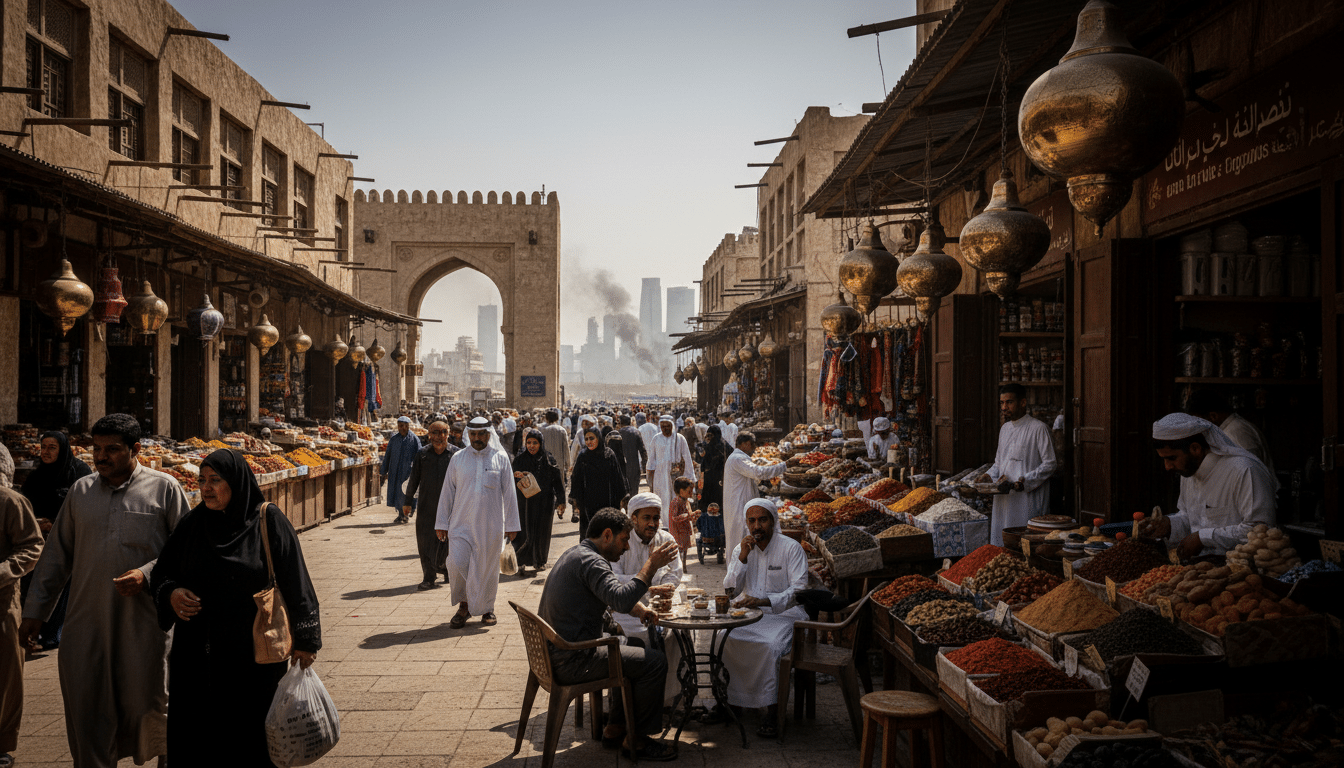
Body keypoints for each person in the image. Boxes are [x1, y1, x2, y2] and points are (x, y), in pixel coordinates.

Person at [20, 414, 190, 768]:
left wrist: (146, 574)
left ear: (135, 449)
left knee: (152, 709)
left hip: (144, 628)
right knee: (87, 712)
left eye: (112, 449)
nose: (101, 457)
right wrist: (35, 612)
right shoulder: (80, 492)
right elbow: (55, 557)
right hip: (86, 626)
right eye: (97, 449)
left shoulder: (165, 488)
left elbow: (186, 552)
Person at [149, 449, 322, 767]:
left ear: (237, 482)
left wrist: (306, 642)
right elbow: (162, 573)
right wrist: (171, 593)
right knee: (199, 741)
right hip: (197, 658)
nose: (206, 488)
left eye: (215, 480)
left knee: (250, 741)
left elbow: (297, 582)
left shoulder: (267, 520)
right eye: (202, 480)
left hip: (252, 658)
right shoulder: (193, 524)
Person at [538, 508, 679, 762]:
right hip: (572, 661)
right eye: (624, 539)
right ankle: (637, 740)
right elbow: (620, 599)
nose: (626, 547)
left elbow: (605, 598)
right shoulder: (593, 562)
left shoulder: (577, 554)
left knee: (634, 644)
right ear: (606, 535)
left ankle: (616, 726)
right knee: (655, 662)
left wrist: (640, 610)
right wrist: (651, 565)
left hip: (559, 654)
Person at [718, 498, 808, 738]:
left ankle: (772, 709)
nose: (757, 526)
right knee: (723, 638)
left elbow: (800, 590)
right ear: (746, 523)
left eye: (762, 520)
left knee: (770, 647)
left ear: (773, 521)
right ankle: (732, 701)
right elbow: (731, 592)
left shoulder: (791, 548)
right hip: (750, 615)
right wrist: (742, 558)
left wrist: (765, 601)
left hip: (785, 616)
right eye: (752, 521)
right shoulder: (741, 549)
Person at [1143, 413, 1277, 558]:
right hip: (1199, 566)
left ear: (1195, 448)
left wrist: (1203, 538)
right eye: (1163, 459)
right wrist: (1169, 524)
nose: (1167, 467)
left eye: (1172, 458)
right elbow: (1190, 519)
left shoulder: (1245, 471)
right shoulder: (1188, 472)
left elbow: (1260, 530)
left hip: (1241, 565)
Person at [435, 417, 520, 628]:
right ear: (468, 435)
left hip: (491, 526)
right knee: (456, 563)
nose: (477, 438)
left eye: (481, 434)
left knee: (487, 569)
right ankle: (464, 606)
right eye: (473, 434)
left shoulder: (501, 458)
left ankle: (487, 608)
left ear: (489, 434)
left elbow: (510, 494)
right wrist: (441, 522)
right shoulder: (458, 459)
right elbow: (447, 492)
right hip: (460, 525)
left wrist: (512, 525)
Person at [19, 431, 93, 648]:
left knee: (63, 585)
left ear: (62, 449)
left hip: (70, 537)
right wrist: (36, 522)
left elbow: (85, 506)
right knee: (37, 583)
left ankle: (52, 635)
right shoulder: (36, 475)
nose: (46, 452)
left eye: (52, 447)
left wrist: (55, 523)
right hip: (39, 539)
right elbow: (27, 505)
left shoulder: (79, 472)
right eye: (43, 447)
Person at [977, 384, 1057, 547]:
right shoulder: (1005, 429)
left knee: (1025, 543)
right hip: (1004, 498)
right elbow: (999, 463)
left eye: (1009, 402)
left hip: (1027, 498)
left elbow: (1050, 463)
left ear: (1023, 402)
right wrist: (988, 476)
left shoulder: (1039, 428)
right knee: (1003, 542)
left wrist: (1024, 481)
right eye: (1002, 403)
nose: (1004, 407)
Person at [1, 485, 42, 768]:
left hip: (1, 603)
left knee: (5, 677)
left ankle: (2, 744)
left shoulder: (9, 501)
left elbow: (32, 546)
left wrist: (3, 572)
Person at [404, 421, 458, 589]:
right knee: (425, 541)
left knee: (450, 541)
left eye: (443, 432)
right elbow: (414, 479)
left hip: (451, 507)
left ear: (448, 434)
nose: (439, 436)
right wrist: (407, 502)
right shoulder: (422, 455)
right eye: (435, 432)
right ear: (429, 435)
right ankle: (428, 577)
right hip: (426, 506)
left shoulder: (457, 455)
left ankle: (448, 571)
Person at [722, 432, 787, 552]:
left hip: (741, 506)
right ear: (745, 444)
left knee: (745, 545)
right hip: (739, 508)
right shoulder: (737, 458)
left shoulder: (738, 458)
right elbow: (758, 472)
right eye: (752, 444)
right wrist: (784, 466)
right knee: (741, 545)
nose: (753, 448)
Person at [1186, 389, 1275, 476]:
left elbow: (1250, 474)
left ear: (1213, 416)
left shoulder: (1237, 432)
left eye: (1199, 422)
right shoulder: (1229, 430)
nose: (1198, 427)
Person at [512, 428, 565, 574]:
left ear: (541, 443)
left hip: (544, 503)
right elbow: (511, 479)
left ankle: (540, 561)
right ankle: (521, 562)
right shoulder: (520, 460)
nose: (531, 446)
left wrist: (561, 500)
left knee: (542, 532)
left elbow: (557, 481)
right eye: (528, 442)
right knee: (524, 531)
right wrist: (517, 476)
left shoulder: (548, 459)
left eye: (535, 443)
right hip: (525, 503)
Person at [569, 428, 628, 538]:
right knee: (590, 535)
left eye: (592, 438)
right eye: (586, 439)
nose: (589, 442)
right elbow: (576, 480)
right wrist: (576, 502)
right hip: (588, 505)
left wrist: (622, 499)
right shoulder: (583, 456)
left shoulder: (609, 455)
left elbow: (618, 478)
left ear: (598, 438)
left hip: (608, 503)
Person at [646, 415, 696, 529]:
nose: (665, 429)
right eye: (662, 426)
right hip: (660, 476)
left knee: (677, 499)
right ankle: (665, 525)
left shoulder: (680, 439)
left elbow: (687, 459)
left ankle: (676, 524)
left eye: (667, 426)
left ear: (672, 425)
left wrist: (690, 478)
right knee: (662, 500)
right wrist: (650, 479)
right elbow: (651, 460)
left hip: (677, 476)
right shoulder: (656, 439)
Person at [696, 425, 729, 562]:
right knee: (712, 511)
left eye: (711, 435)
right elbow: (701, 463)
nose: (709, 438)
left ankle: (718, 538)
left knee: (717, 511)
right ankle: (712, 537)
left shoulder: (723, 447)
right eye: (707, 435)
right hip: (713, 486)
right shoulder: (715, 447)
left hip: (718, 486)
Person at [382, 415, 422, 524]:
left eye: (405, 426)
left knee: (407, 495)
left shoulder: (414, 439)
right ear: (398, 426)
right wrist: (383, 471)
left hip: (408, 473)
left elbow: (420, 456)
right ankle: (401, 514)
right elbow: (387, 455)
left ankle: (405, 515)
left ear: (408, 426)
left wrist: (419, 472)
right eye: (400, 426)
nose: (403, 428)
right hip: (395, 472)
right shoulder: (394, 439)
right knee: (397, 494)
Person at [668, 478, 696, 569]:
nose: (691, 493)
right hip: (678, 530)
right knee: (679, 548)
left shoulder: (686, 501)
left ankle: (683, 565)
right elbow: (674, 517)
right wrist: (687, 516)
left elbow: (689, 513)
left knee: (685, 548)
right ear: (681, 491)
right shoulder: (676, 503)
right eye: (689, 491)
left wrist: (693, 516)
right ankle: (679, 566)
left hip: (685, 529)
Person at [617, 414, 647, 495]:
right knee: (634, 491)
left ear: (621, 423)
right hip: (634, 467)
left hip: (621, 468)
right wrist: (644, 465)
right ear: (630, 422)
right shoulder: (636, 432)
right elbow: (643, 451)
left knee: (623, 492)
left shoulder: (617, 433)